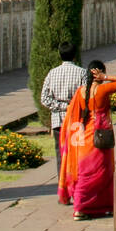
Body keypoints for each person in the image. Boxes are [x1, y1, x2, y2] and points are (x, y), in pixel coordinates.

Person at [59, 60, 116, 219]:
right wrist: (106, 76)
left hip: (84, 137)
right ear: (99, 74)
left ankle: (85, 208)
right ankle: (91, 207)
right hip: (100, 138)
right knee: (102, 173)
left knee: (85, 173)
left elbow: (74, 117)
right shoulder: (102, 90)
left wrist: (75, 143)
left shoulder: (81, 92)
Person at [39, 41, 82, 175]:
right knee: (77, 154)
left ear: (60, 54)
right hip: (76, 120)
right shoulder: (81, 73)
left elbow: (45, 98)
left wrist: (60, 106)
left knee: (61, 154)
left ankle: (62, 187)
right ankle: (76, 186)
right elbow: (86, 97)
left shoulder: (52, 73)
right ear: (75, 55)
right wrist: (70, 106)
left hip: (58, 121)